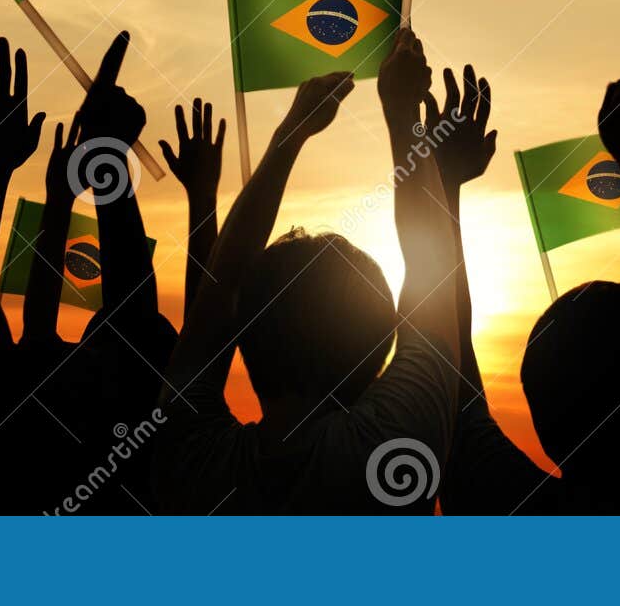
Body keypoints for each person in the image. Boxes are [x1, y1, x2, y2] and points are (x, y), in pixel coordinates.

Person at [154, 28, 461, 513]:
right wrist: (405, 116)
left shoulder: (195, 458)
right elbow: (435, 266)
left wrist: (290, 134)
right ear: (380, 343)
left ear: (246, 333)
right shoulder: (399, 438)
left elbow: (219, 294)